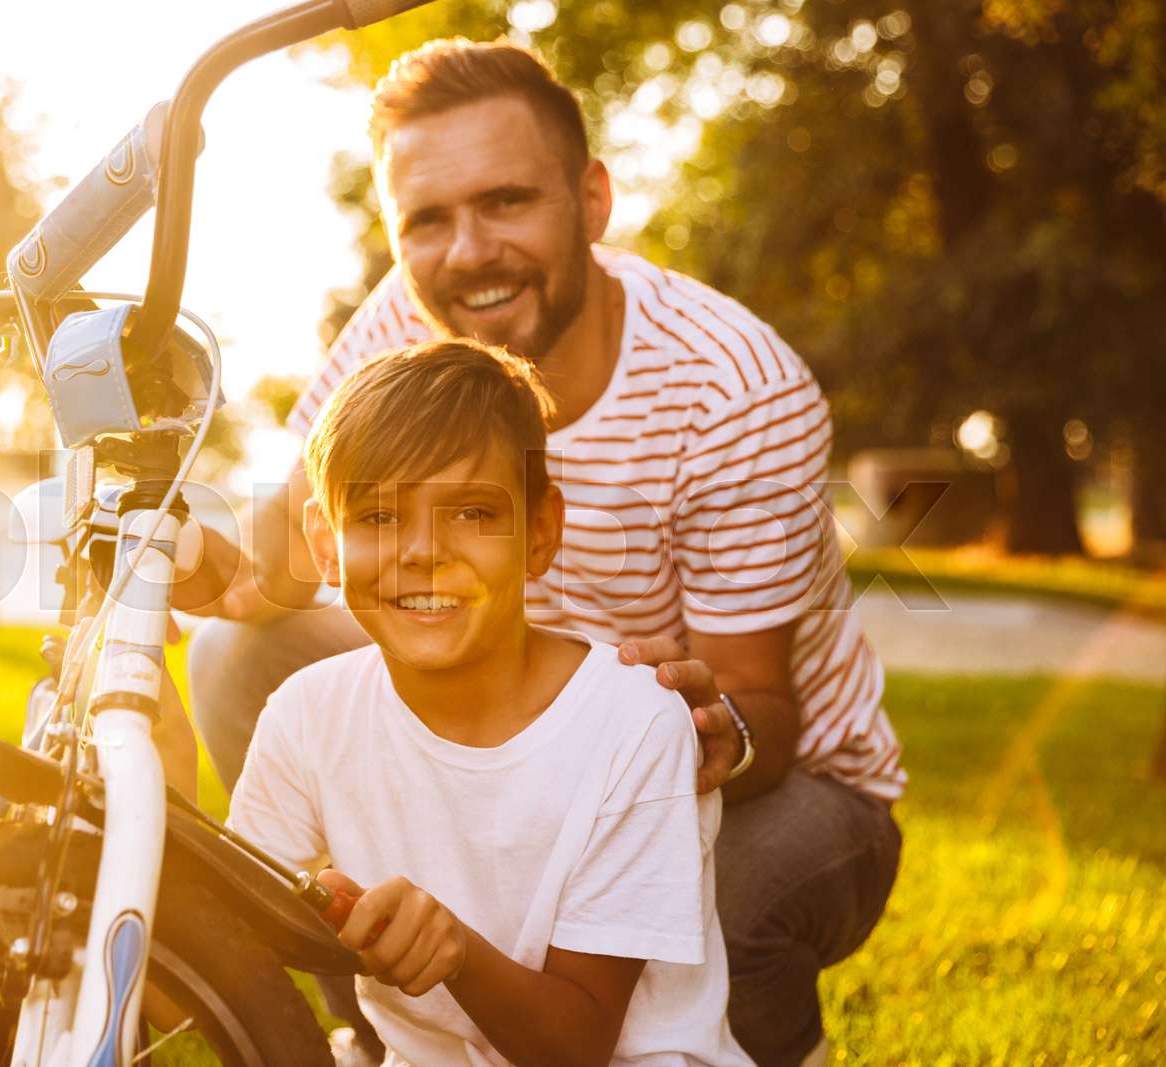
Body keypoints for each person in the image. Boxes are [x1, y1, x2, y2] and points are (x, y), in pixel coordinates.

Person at [179, 39, 903, 1067]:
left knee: (709, 917)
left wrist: (669, 743)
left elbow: (762, 714)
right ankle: (377, 1024)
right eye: (426, 219)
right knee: (232, 654)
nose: (467, 252)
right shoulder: (402, 322)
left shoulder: (734, 390)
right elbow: (275, 565)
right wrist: (180, 552)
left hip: (782, 780)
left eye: (506, 201)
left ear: (592, 202)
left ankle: (775, 1048)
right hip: (521, 720)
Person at [228, 339, 752, 1067]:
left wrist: (457, 953)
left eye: (471, 512)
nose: (422, 550)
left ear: (540, 532)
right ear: (325, 543)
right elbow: (215, 945)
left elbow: (578, 1045)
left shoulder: (635, 721)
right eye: (378, 517)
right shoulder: (306, 715)